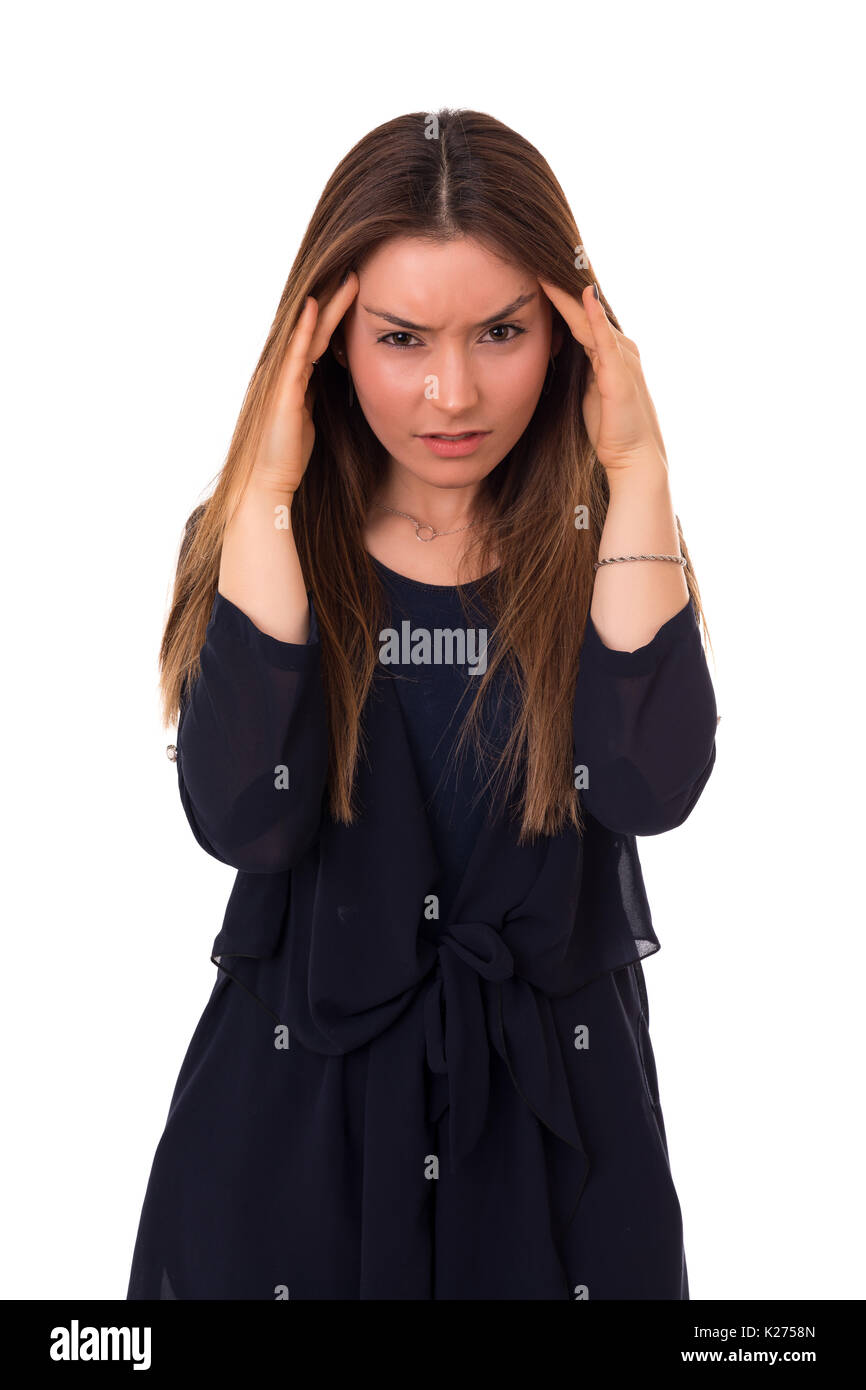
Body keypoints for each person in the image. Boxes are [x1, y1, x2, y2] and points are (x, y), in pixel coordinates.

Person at [126, 108, 718, 1300]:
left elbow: (648, 786)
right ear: (328, 342)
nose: (452, 392)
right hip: (294, 1135)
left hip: (559, 1137)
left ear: (567, 335)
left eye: (500, 330)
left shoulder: (603, 535)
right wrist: (267, 492)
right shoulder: (260, 534)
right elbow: (247, 820)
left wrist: (638, 470)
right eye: (401, 338)